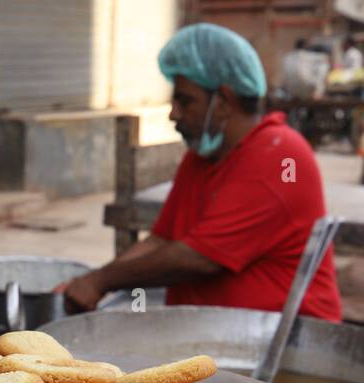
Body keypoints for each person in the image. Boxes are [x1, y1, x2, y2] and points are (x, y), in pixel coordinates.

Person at [54, 24, 341, 322]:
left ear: (224, 101)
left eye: (185, 100)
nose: (173, 114)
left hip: (284, 343)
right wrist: (89, 284)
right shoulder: (203, 156)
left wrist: (100, 281)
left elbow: (198, 259)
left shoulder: (279, 155)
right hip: (213, 332)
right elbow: (161, 241)